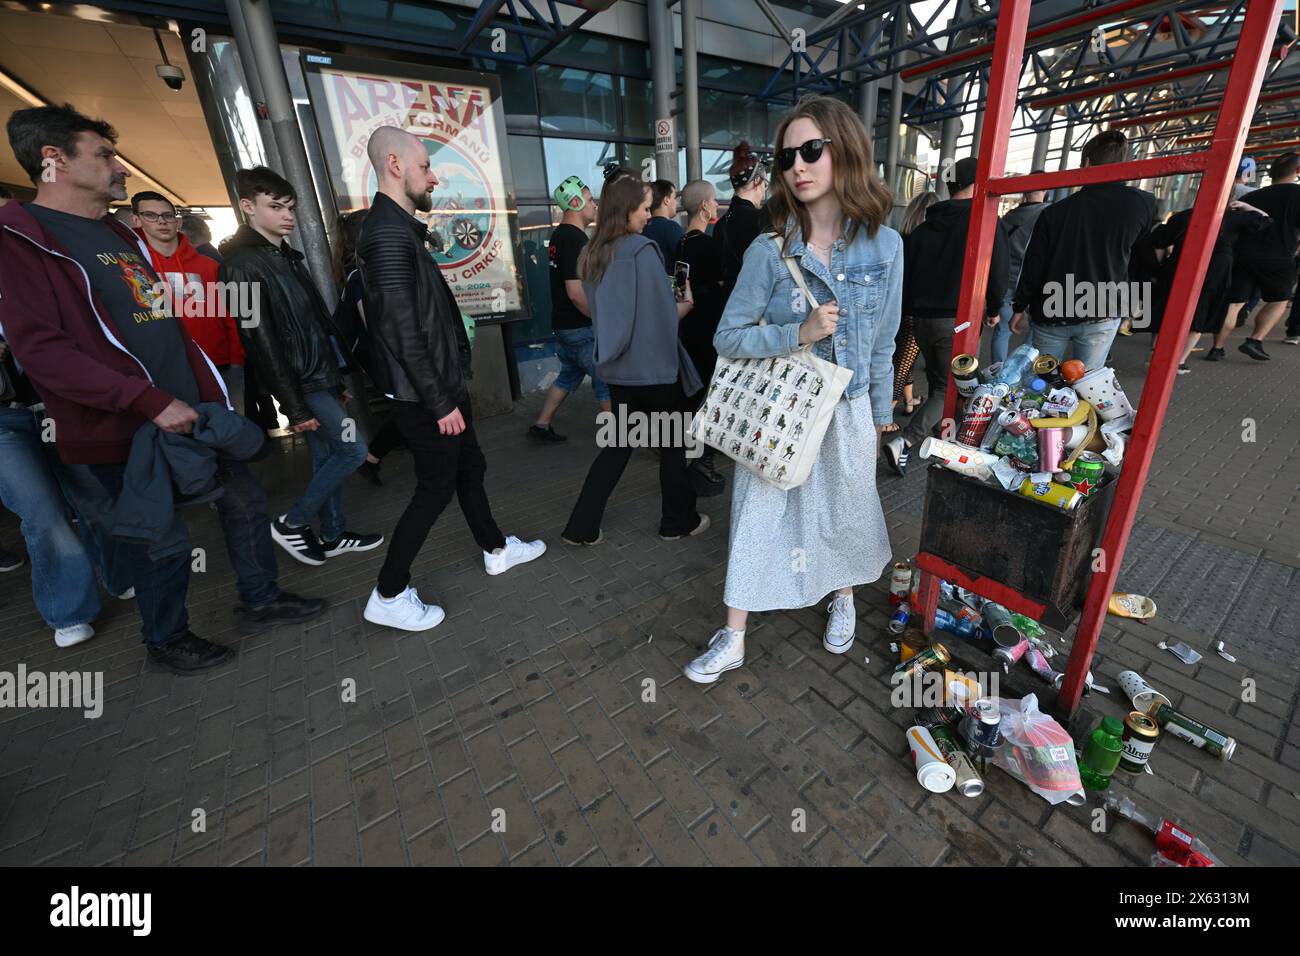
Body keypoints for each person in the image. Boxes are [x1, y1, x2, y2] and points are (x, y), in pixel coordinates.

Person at [0, 104, 325, 672]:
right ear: (53, 160)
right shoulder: (21, 240)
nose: (119, 168)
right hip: (122, 429)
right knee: (161, 541)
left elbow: (165, 324)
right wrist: (149, 402)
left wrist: (210, 397)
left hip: (192, 412)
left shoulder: (113, 233)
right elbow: (44, 354)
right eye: (103, 155)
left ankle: (261, 599)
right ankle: (166, 640)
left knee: (246, 502)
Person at [684, 95, 901, 684]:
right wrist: (795, 333)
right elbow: (727, 337)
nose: (797, 167)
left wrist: (881, 414)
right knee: (757, 514)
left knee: (846, 510)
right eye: (787, 157)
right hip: (780, 408)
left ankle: (844, 595)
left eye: (811, 151)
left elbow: (883, 343)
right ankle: (733, 634)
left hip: (850, 408)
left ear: (844, 151)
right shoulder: (768, 249)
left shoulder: (887, 247)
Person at [355, 127, 545, 632]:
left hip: (436, 388)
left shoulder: (398, 228)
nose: (433, 177)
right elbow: (398, 327)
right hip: (427, 396)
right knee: (435, 488)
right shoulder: (388, 233)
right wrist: (441, 402)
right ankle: (389, 592)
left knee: (469, 468)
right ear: (395, 165)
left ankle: (496, 548)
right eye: (424, 167)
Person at [220, 166, 382, 565]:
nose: (287, 215)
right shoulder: (239, 266)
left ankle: (331, 534)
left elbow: (315, 326)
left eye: (290, 207)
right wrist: (293, 406)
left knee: (329, 455)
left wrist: (337, 377)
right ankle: (293, 524)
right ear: (247, 207)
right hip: (302, 385)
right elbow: (257, 341)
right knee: (354, 450)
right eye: (275, 207)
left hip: (319, 378)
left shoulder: (287, 257)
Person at [561, 175, 705, 545]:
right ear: (626, 210)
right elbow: (661, 318)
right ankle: (677, 522)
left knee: (616, 448)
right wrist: (685, 306)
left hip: (618, 371)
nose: (647, 216)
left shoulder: (592, 253)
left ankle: (581, 526)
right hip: (654, 369)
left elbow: (606, 312)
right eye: (643, 209)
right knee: (673, 448)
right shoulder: (642, 250)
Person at [884, 156, 1008, 476]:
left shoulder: (924, 229)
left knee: (942, 382)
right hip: (960, 321)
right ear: (978, 184)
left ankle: (941, 442)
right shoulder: (985, 223)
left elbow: (906, 277)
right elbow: (998, 272)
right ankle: (909, 442)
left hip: (921, 320)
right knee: (951, 386)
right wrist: (994, 310)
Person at [1009, 129, 1157, 370]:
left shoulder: (1054, 213)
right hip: (1104, 308)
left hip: (1052, 309)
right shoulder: (1141, 204)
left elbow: (1034, 264)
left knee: (1041, 386)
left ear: (1087, 163)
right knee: (1089, 385)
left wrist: (1019, 306)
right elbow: (1141, 258)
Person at [132, 190, 247, 413]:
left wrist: (236, 360)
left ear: (178, 222)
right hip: (167, 372)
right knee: (186, 442)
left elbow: (232, 316)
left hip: (220, 365)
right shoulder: (134, 268)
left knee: (232, 435)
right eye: (151, 215)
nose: (162, 222)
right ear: (136, 220)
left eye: (167, 215)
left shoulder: (208, 265)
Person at [528, 175, 610, 444]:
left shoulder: (558, 235)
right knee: (606, 381)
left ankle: (541, 425)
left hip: (564, 326)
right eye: (589, 200)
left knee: (567, 376)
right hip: (580, 327)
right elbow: (575, 293)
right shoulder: (575, 239)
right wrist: (602, 319)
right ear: (574, 203)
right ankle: (620, 440)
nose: (594, 205)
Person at [1146, 195, 1271, 372]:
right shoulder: (1233, 217)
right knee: (1200, 315)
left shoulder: (1183, 216)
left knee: (1168, 309)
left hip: (1179, 266)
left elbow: (1158, 243)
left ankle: (1156, 354)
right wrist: (1245, 205)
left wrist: (1160, 268)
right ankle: (1179, 362)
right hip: (1215, 272)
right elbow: (1265, 219)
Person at [330, 208, 406, 485]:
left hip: (376, 355)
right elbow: (376, 325)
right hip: (381, 355)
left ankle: (374, 458)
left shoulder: (355, 272)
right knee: (412, 410)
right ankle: (371, 458)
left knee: (410, 410)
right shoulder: (361, 275)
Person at [1218, 152, 1300, 360]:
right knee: (1279, 300)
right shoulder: (1297, 194)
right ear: (1297, 172)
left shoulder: (1250, 196)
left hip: (1243, 256)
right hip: (1279, 257)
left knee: (1234, 303)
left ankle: (1216, 348)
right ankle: (1255, 340)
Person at [675, 178, 728, 495]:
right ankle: (702, 462)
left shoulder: (681, 243)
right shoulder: (708, 246)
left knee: (694, 395)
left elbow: (680, 290)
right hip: (709, 325)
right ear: (706, 205)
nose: (718, 205)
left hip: (688, 324)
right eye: (715, 200)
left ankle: (693, 457)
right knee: (711, 395)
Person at [885, 190, 938, 436]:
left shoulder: (900, 240)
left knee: (903, 359)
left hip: (895, 309)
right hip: (914, 312)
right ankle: (886, 416)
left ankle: (908, 402)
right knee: (902, 364)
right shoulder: (929, 242)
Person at [994, 175, 1049, 365]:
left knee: (1002, 330)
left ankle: (997, 369)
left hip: (1008, 279)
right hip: (1035, 281)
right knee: (1035, 332)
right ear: (1045, 191)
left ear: (1025, 192)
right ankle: (1019, 371)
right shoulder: (1048, 214)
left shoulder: (1010, 217)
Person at [715, 142, 769, 299]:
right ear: (757, 182)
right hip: (753, 301)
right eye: (765, 184)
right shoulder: (760, 219)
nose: (764, 190)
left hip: (726, 301)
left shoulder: (721, 223)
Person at [641, 180, 682, 273]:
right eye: (674, 198)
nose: (676, 203)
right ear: (666, 200)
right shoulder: (671, 227)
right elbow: (683, 260)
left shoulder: (641, 228)